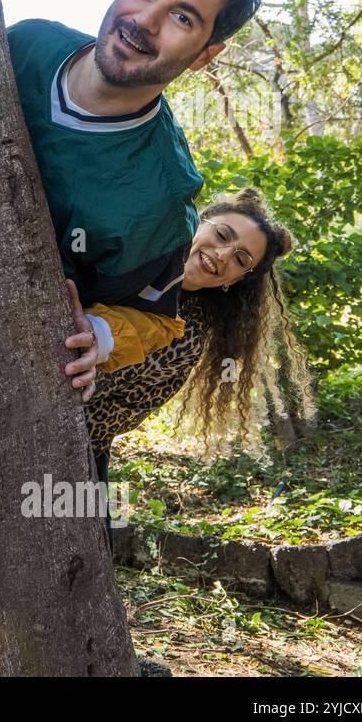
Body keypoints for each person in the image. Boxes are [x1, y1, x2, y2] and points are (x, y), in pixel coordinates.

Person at [7, 0, 264, 397]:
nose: (145, 20)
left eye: (182, 18)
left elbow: (155, 316)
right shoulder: (25, 44)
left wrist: (98, 337)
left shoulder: (162, 198)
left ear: (205, 55)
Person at [85, 189, 313, 521]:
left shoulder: (185, 331)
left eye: (240, 260)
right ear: (198, 221)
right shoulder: (131, 248)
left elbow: (80, 384)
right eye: (222, 235)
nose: (222, 255)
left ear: (236, 281)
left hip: (74, 453)